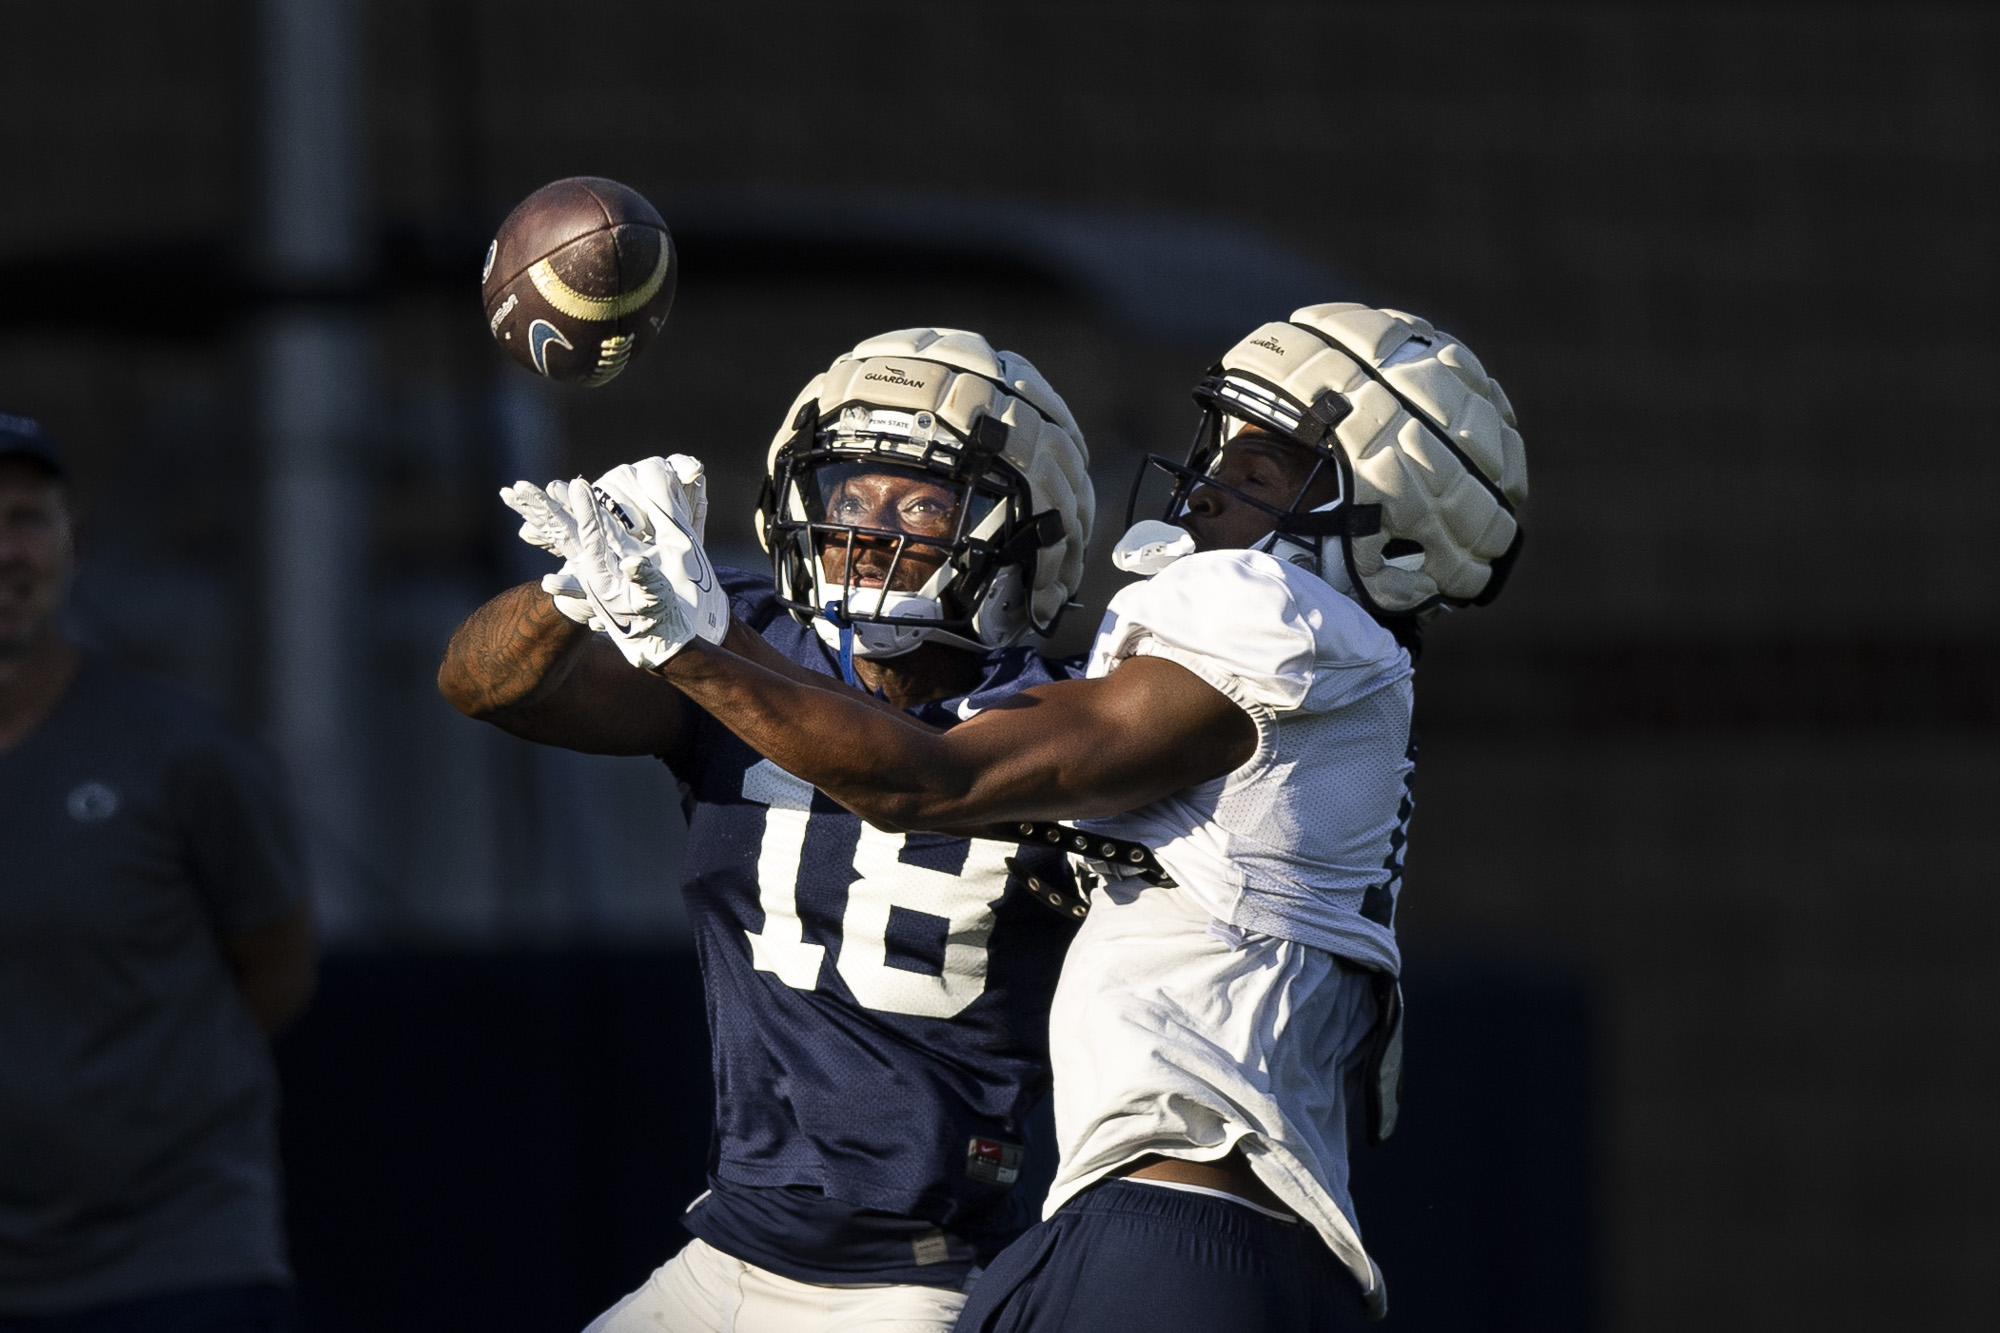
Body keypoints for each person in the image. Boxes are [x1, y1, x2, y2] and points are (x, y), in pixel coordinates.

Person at [515, 303, 1528, 1329]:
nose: (1205, 488)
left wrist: (684, 637)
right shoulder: (1329, 686)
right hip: (1167, 1220)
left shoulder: (1279, 618)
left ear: (1395, 538)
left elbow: (926, 781)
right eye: (1219, 451)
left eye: (1261, 478)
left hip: (1170, 1227)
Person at [439, 329, 1100, 1331]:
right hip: (727, 1252)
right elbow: (482, 685)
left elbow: (908, 767)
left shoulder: (1056, 723)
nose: (868, 530)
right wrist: (572, 593)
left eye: (920, 502)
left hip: (916, 1277)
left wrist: (700, 650)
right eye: (846, 498)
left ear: (1023, 529)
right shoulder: (745, 638)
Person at [0, 415, 316, 1331]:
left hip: (173, 1262)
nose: (4, 550)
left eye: (26, 518)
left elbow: (279, 964)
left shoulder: (182, 753)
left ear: (72, 544)